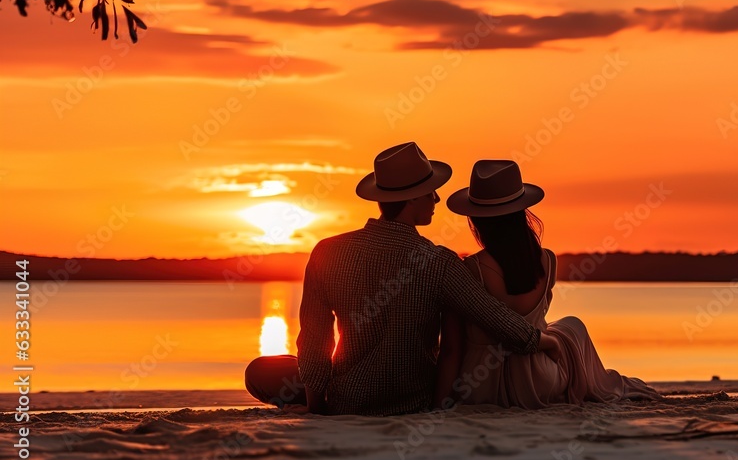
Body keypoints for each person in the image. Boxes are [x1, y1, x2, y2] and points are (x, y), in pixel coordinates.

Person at [244, 143, 561, 415]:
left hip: (348, 399)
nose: (436, 199)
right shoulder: (439, 262)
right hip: (411, 401)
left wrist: (317, 410)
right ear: (412, 199)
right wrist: (547, 340)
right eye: (431, 193)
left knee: (259, 372)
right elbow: (500, 322)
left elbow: (315, 339)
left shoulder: (327, 252)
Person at [436, 160, 660, 409]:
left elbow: (451, 348)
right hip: (540, 381)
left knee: (566, 328)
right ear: (521, 213)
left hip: (482, 385)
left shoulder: (471, 269)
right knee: (572, 327)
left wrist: (440, 403)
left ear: (476, 220)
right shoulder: (547, 260)